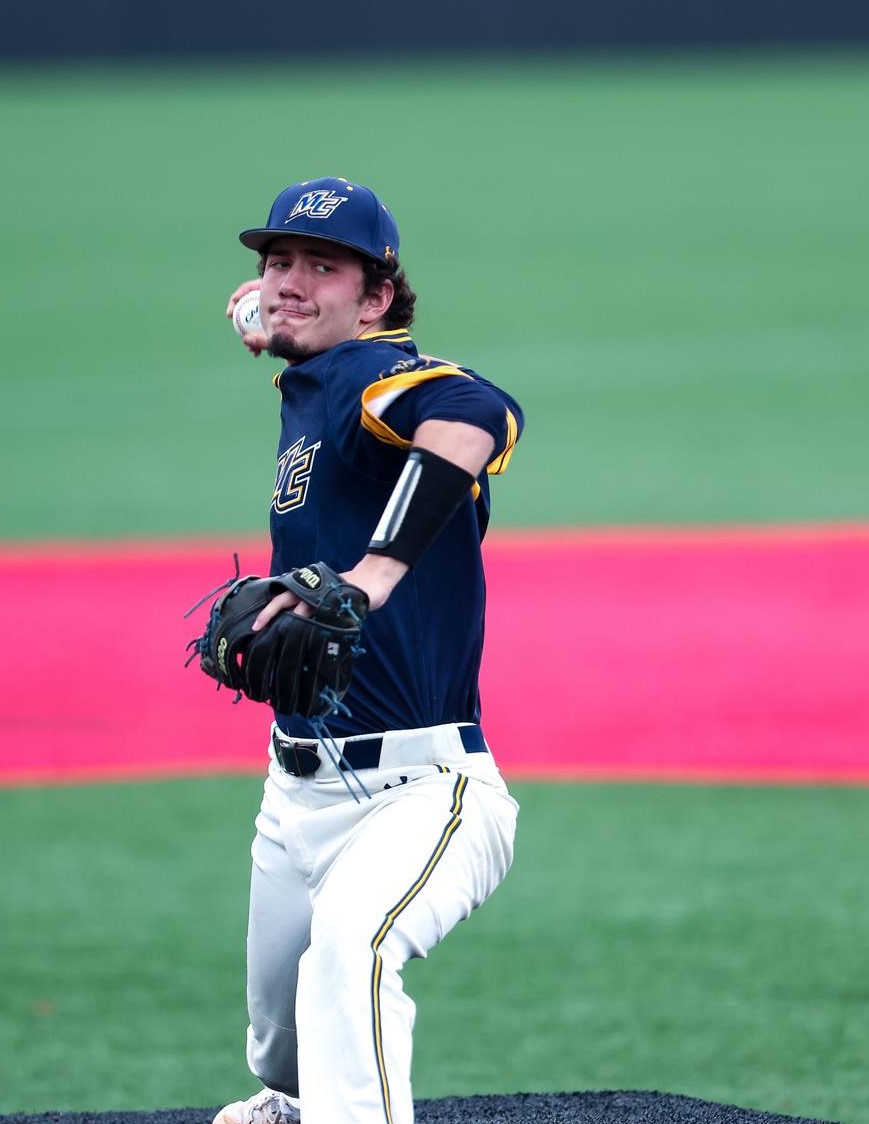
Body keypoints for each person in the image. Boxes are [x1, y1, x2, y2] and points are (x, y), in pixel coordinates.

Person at [209, 178, 525, 1124]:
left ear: (379, 295)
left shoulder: (377, 379)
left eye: (323, 266)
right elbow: (271, 316)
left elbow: (483, 412)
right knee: (282, 1049)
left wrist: (380, 569)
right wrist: (269, 319)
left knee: (355, 948)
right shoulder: (309, 370)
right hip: (295, 793)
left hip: (427, 791)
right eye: (276, 263)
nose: (290, 281)